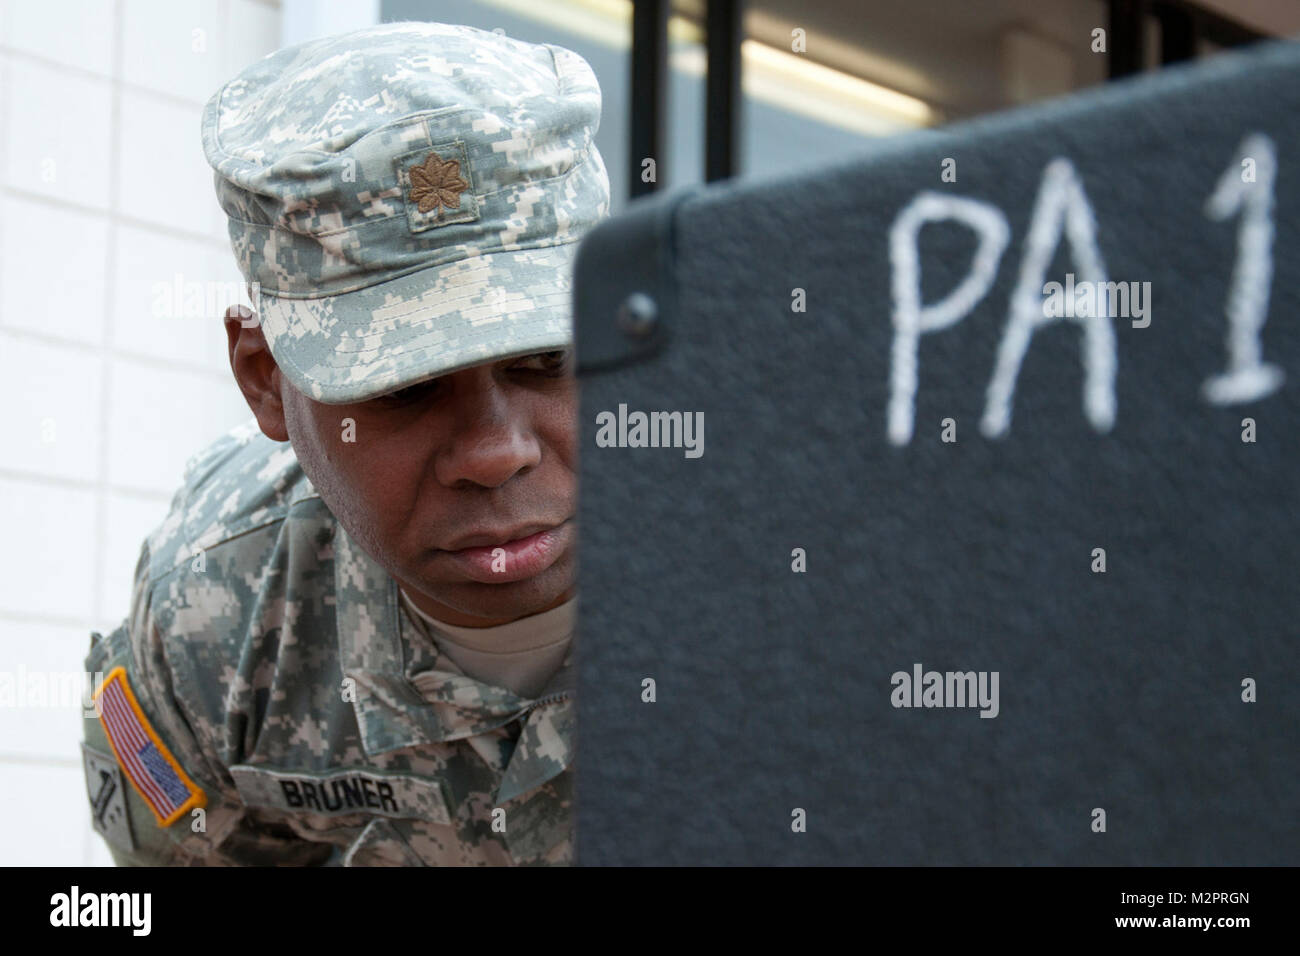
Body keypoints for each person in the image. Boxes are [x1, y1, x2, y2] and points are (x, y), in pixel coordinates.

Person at [79, 20, 610, 866]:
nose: (494, 451)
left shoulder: (793, 558)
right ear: (265, 381)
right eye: (403, 387)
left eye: (549, 359)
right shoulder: (217, 619)